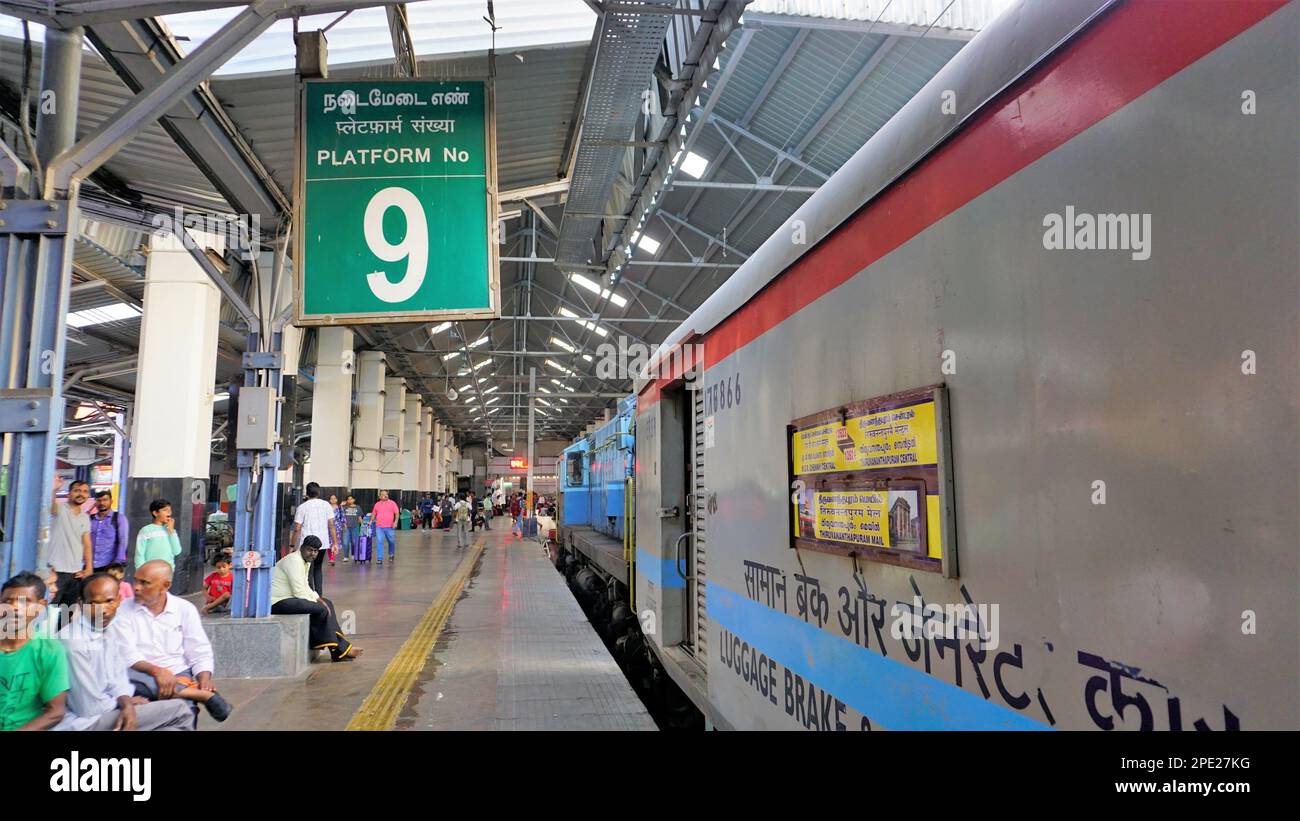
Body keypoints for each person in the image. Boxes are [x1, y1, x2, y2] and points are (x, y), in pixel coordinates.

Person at [55, 573, 194, 731]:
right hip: (83, 722)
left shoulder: (107, 629)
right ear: (81, 604)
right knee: (180, 711)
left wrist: (126, 703)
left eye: (109, 601)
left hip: (107, 710)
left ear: (119, 600)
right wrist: (124, 705)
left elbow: (117, 678)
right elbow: (88, 707)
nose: (103, 610)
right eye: (94, 603)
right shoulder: (73, 642)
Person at [109, 560, 231, 724]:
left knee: (186, 711)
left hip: (178, 674)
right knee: (123, 680)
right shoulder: (123, 609)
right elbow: (128, 654)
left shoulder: (184, 609)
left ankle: (190, 692)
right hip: (137, 673)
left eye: (144, 583)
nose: (136, 587)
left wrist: (204, 678)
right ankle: (195, 693)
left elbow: (199, 649)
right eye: (136, 580)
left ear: (165, 585)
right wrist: (157, 671)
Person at [270, 537, 361, 662]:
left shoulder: (305, 561)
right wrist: (317, 601)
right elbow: (298, 591)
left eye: (315, 551)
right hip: (277, 601)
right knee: (321, 608)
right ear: (302, 547)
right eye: (309, 550)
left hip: (290, 598)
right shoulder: (294, 561)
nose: (312, 554)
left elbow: (305, 585)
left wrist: (318, 598)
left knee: (327, 603)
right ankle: (339, 650)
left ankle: (338, 651)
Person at [0, 572, 69, 730]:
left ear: (40, 607)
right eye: (7, 601)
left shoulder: (49, 650)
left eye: (25, 602)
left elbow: (56, 712)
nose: (14, 607)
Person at [48, 476, 93, 612]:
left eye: (85, 491)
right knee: (50, 611)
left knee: (67, 613)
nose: (81, 494)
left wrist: (89, 567)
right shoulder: (60, 510)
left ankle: (61, 633)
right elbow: (51, 505)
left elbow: (86, 544)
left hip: (75, 574)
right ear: (69, 493)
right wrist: (54, 490)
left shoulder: (85, 517)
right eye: (77, 490)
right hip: (56, 572)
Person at [289, 482, 336, 595]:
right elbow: (331, 525)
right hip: (322, 543)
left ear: (307, 493)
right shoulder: (326, 505)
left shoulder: (302, 507)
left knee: (308, 569)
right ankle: (319, 594)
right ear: (318, 492)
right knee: (318, 568)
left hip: (308, 545)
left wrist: (292, 545)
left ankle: (310, 595)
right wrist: (334, 542)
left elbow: (297, 528)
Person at [88, 490, 129, 573]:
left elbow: (123, 541)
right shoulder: (90, 519)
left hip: (109, 566)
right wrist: (89, 510)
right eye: (98, 500)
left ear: (111, 501)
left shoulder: (119, 518)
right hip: (90, 566)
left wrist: (117, 563)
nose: (102, 503)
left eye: (105, 500)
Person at [134, 498, 182, 569]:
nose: (169, 513)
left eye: (170, 510)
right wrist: (141, 571)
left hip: (167, 572)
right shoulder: (146, 530)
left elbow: (177, 551)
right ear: (155, 513)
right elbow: (139, 554)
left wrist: (171, 531)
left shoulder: (170, 530)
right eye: (165, 510)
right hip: (150, 572)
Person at [371, 490, 399, 565]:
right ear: (380, 496)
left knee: (391, 541)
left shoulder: (392, 503)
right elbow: (374, 513)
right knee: (379, 541)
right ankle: (379, 558)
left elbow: (396, 513)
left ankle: (391, 554)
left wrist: (395, 522)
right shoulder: (377, 504)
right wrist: (371, 521)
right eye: (383, 494)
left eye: (386, 494)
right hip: (379, 526)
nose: (385, 495)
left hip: (390, 526)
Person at [342, 495, 362, 562]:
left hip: (355, 527)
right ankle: (346, 556)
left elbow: (359, 518)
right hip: (346, 527)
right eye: (348, 499)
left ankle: (354, 554)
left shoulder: (358, 507)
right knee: (345, 542)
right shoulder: (344, 507)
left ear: (354, 500)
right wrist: (341, 505)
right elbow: (341, 516)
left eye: (351, 499)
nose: (350, 500)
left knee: (354, 542)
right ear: (347, 500)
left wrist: (363, 525)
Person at [328, 495, 346, 566]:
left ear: (336, 500)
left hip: (337, 527)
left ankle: (332, 558)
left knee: (335, 542)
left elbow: (343, 516)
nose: (333, 500)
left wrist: (344, 524)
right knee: (329, 543)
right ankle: (331, 558)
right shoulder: (327, 508)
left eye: (334, 498)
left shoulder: (339, 507)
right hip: (328, 527)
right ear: (329, 500)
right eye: (331, 498)